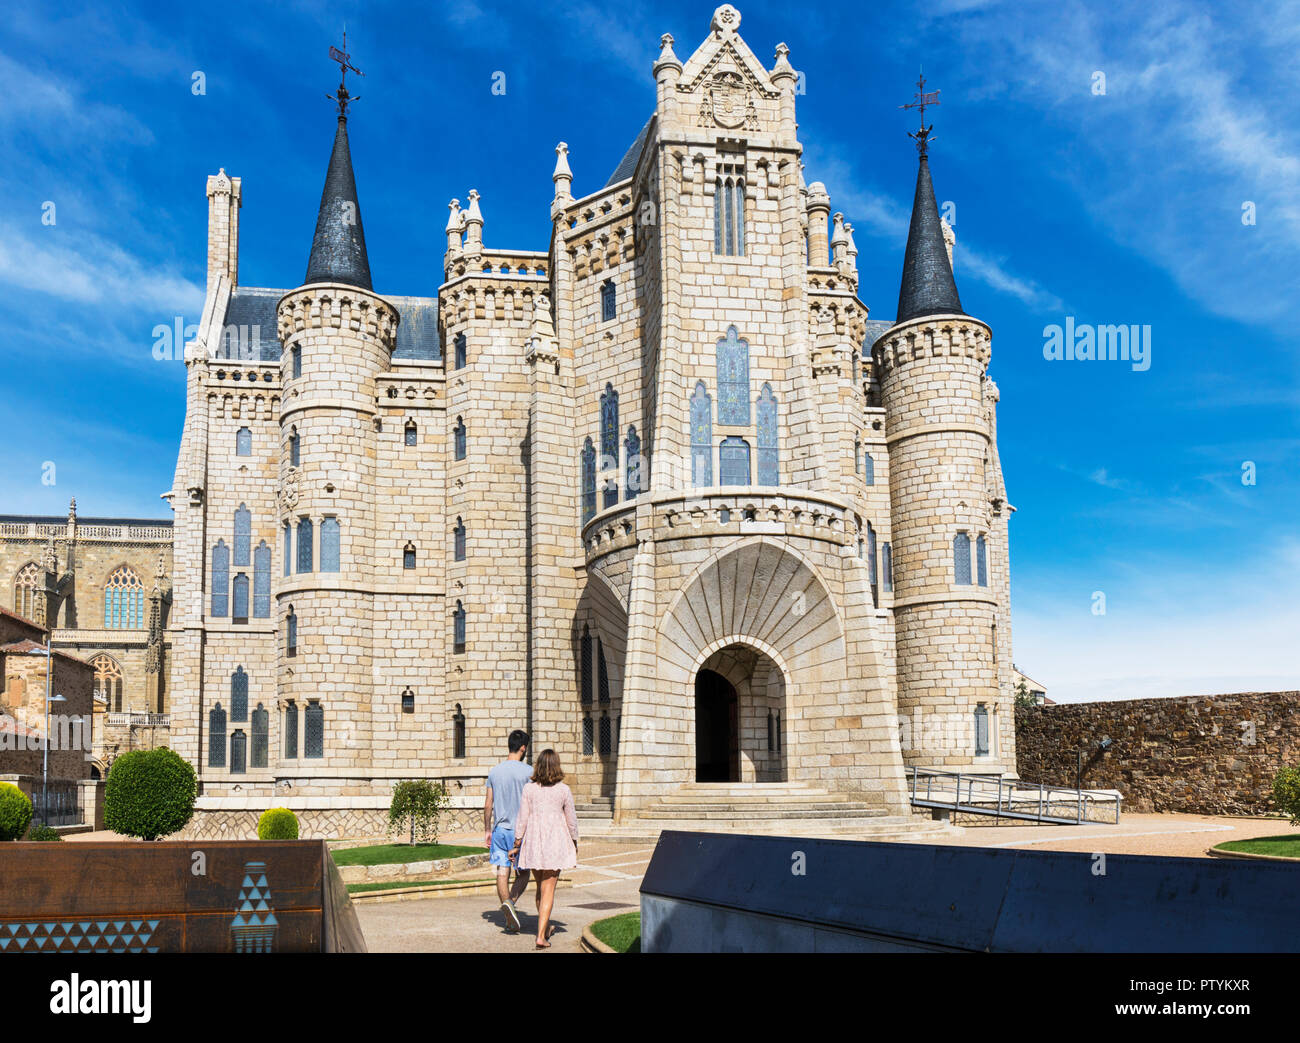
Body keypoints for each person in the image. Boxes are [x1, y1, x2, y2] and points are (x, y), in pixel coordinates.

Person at [509, 748, 579, 949]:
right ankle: (541, 936)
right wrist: (574, 842)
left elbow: (522, 818)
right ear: (557, 766)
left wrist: (517, 843)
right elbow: (571, 820)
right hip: (555, 841)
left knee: (541, 888)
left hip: (534, 841)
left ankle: (545, 927)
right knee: (548, 889)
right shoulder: (563, 790)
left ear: (538, 765)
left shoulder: (529, 789)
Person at [484, 729, 533, 933]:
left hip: (500, 830)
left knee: (502, 872)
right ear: (523, 748)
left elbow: (488, 804)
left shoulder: (495, 771)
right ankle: (510, 903)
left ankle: (507, 907)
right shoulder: (529, 772)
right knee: (523, 873)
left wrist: (487, 829)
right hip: (520, 832)